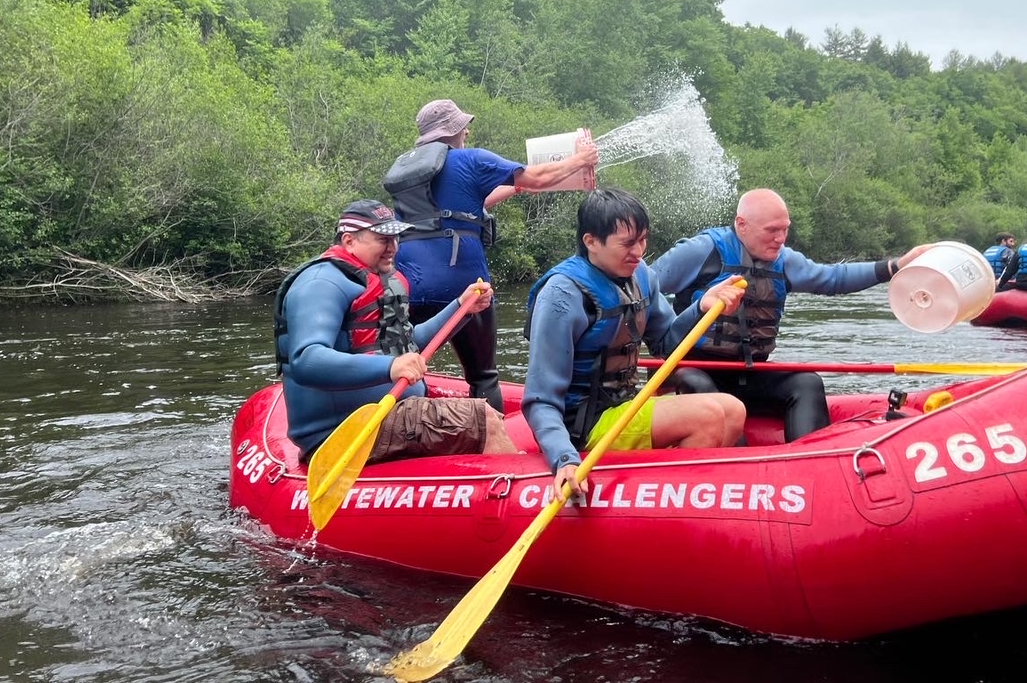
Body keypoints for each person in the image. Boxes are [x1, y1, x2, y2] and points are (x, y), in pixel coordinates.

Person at [649, 188, 934, 443]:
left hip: (747, 372)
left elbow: (832, 279)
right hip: (690, 369)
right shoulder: (701, 251)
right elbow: (645, 288)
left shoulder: (785, 261)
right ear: (742, 225)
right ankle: (740, 466)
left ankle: (810, 466)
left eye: (785, 229)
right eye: (772, 230)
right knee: (699, 383)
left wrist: (895, 266)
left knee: (806, 382)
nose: (780, 238)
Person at [522, 188, 749, 499]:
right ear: (591, 242)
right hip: (583, 425)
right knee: (708, 414)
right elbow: (540, 398)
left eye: (643, 239)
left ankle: (686, 497)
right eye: (628, 243)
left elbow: (667, 342)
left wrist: (701, 308)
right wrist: (563, 457)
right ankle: (674, 508)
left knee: (733, 410)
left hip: (625, 405)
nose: (639, 251)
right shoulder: (562, 294)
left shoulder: (641, 276)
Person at [385, 98, 600, 413]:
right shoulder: (472, 159)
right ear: (455, 130)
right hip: (462, 283)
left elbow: (462, 211)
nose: (467, 133)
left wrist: (515, 187)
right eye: (464, 127)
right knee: (483, 376)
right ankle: (491, 442)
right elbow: (538, 177)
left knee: (407, 364)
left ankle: (404, 429)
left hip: (408, 283)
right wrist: (581, 159)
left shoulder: (407, 172)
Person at [274, 198, 517, 463]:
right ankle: (513, 493)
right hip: (345, 432)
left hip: (389, 416)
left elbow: (410, 343)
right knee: (484, 421)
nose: (392, 248)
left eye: (396, 239)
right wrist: (390, 367)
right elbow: (306, 360)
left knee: (485, 413)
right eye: (382, 239)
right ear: (349, 240)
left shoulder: (380, 280)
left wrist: (461, 308)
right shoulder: (321, 284)